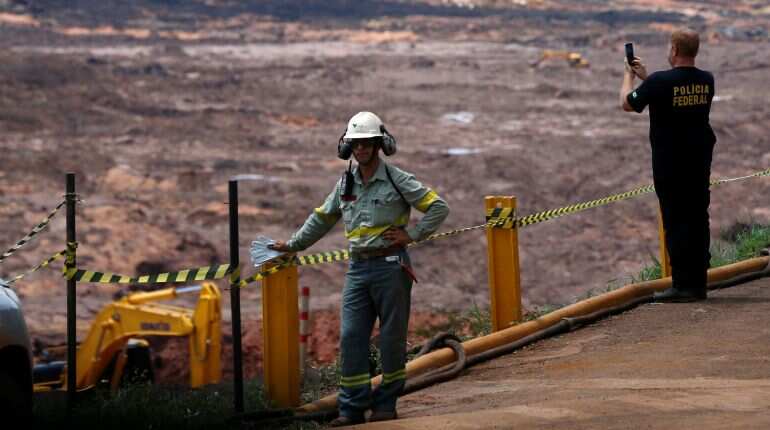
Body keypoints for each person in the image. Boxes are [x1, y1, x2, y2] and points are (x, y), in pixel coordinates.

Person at [270, 111, 449, 426]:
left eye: (367, 143)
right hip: (357, 270)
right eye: (355, 144)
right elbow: (323, 218)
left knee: (391, 339)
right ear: (347, 147)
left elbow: (438, 207)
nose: (361, 150)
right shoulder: (345, 183)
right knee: (352, 336)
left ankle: (386, 404)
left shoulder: (396, 179)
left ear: (380, 145)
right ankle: (351, 410)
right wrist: (294, 244)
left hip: (391, 269)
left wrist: (414, 235)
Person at [619, 28, 716, 302]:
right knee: (698, 218)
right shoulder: (707, 80)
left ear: (674, 49)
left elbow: (627, 104)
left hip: (671, 163)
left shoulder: (661, 82)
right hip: (699, 162)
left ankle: (682, 286)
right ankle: (698, 283)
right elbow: (676, 97)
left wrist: (629, 76)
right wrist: (648, 78)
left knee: (676, 221)